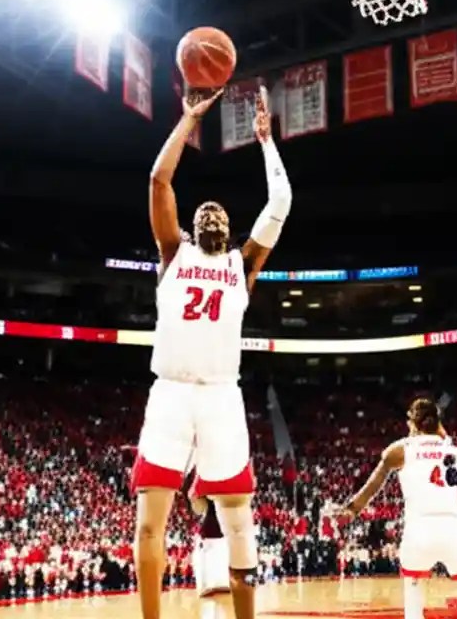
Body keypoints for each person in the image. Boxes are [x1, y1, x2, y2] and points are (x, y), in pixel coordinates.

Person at [132, 84, 291, 619]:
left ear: (227, 228)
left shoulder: (242, 265)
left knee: (239, 521)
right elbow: (159, 179)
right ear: (193, 227)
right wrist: (187, 123)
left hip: (223, 395)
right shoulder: (172, 251)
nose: (212, 214)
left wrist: (266, 142)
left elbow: (281, 203)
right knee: (150, 521)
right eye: (204, 211)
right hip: (172, 391)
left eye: (220, 212)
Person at [327, 398, 457, 619]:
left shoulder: (399, 451)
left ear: (412, 423)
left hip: (418, 533)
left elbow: (374, 485)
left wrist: (352, 509)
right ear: (438, 422)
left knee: (413, 600)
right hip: (453, 531)